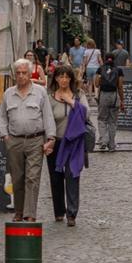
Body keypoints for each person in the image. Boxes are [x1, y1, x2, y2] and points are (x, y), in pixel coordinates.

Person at [0, 59, 56, 221]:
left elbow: (48, 116)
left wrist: (50, 138)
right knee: (17, 178)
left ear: (30, 74)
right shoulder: (8, 93)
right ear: (14, 75)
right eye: (18, 73)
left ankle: (30, 214)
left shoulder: (40, 92)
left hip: (35, 140)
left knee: (32, 178)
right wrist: (5, 136)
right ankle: (19, 211)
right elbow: (2, 117)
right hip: (14, 141)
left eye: (24, 73)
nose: (21, 76)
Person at [44, 64, 91, 226]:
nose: (64, 80)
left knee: (73, 176)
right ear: (56, 78)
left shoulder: (78, 95)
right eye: (60, 76)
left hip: (74, 143)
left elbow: (86, 114)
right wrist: (48, 140)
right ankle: (59, 211)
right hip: (55, 141)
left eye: (67, 77)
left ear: (71, 79)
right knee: (56, 178)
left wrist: (71, 102)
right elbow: (46, 119)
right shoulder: (49, 97)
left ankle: (72, 213)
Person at [95, 54, 122, 151]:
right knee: (112, 121)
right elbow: (120, 86)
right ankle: (111, 145)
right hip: (114, 96)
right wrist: (122, 100)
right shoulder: (118, 70)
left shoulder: (100, 69)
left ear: (104, 59)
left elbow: (97, 84)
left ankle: (103, 141)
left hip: (103, 95)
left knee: (102, 119)